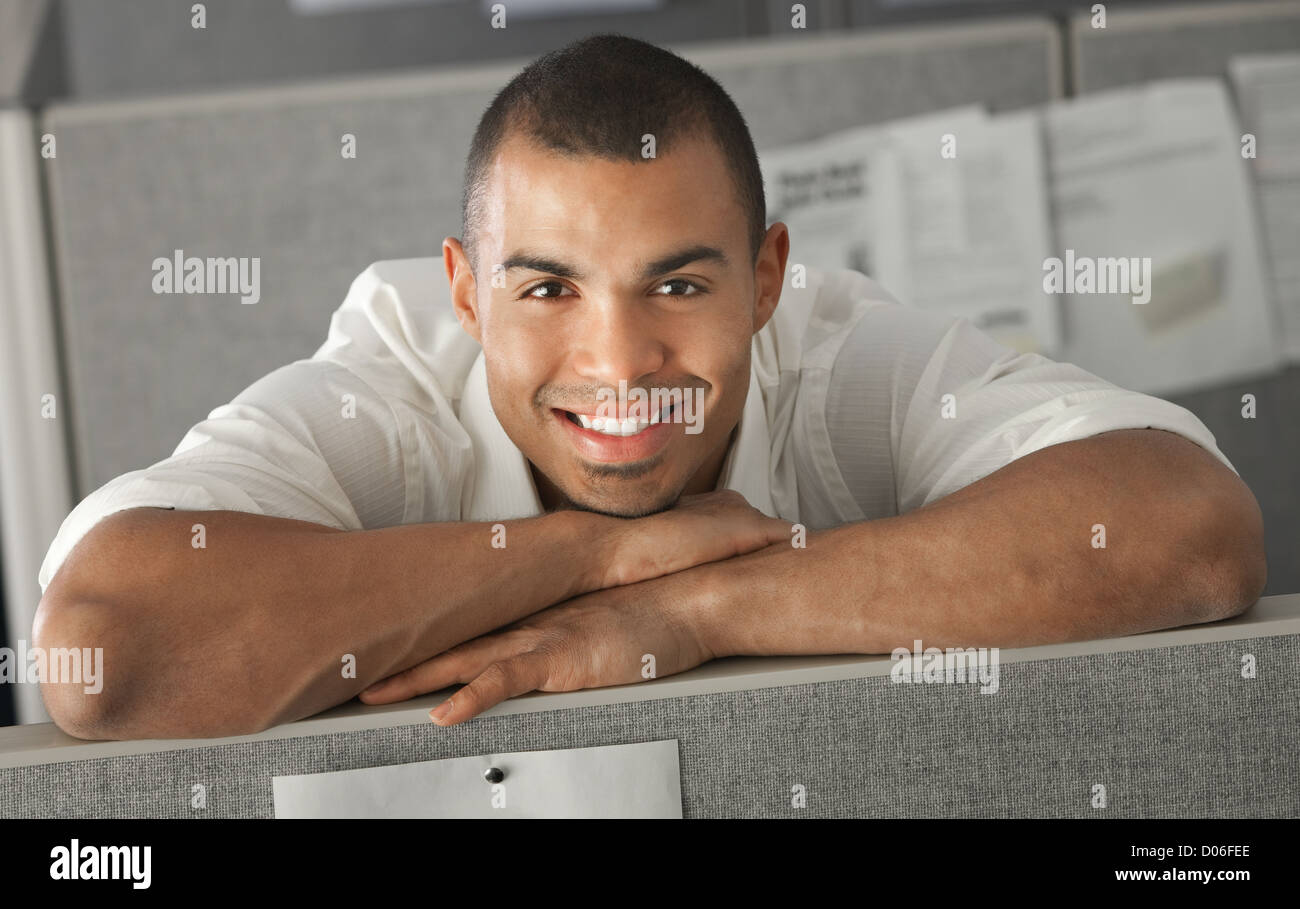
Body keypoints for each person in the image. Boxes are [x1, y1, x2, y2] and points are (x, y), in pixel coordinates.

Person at [34, 34, 1265, 740]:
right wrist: (592, 555)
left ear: (767, 276)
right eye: (548, 290)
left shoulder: (842, 359)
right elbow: (104, 655)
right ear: (464, 295)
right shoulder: (386, 397)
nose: (619, 367)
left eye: (678, 287)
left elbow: (1188, 528)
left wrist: (691, 613)